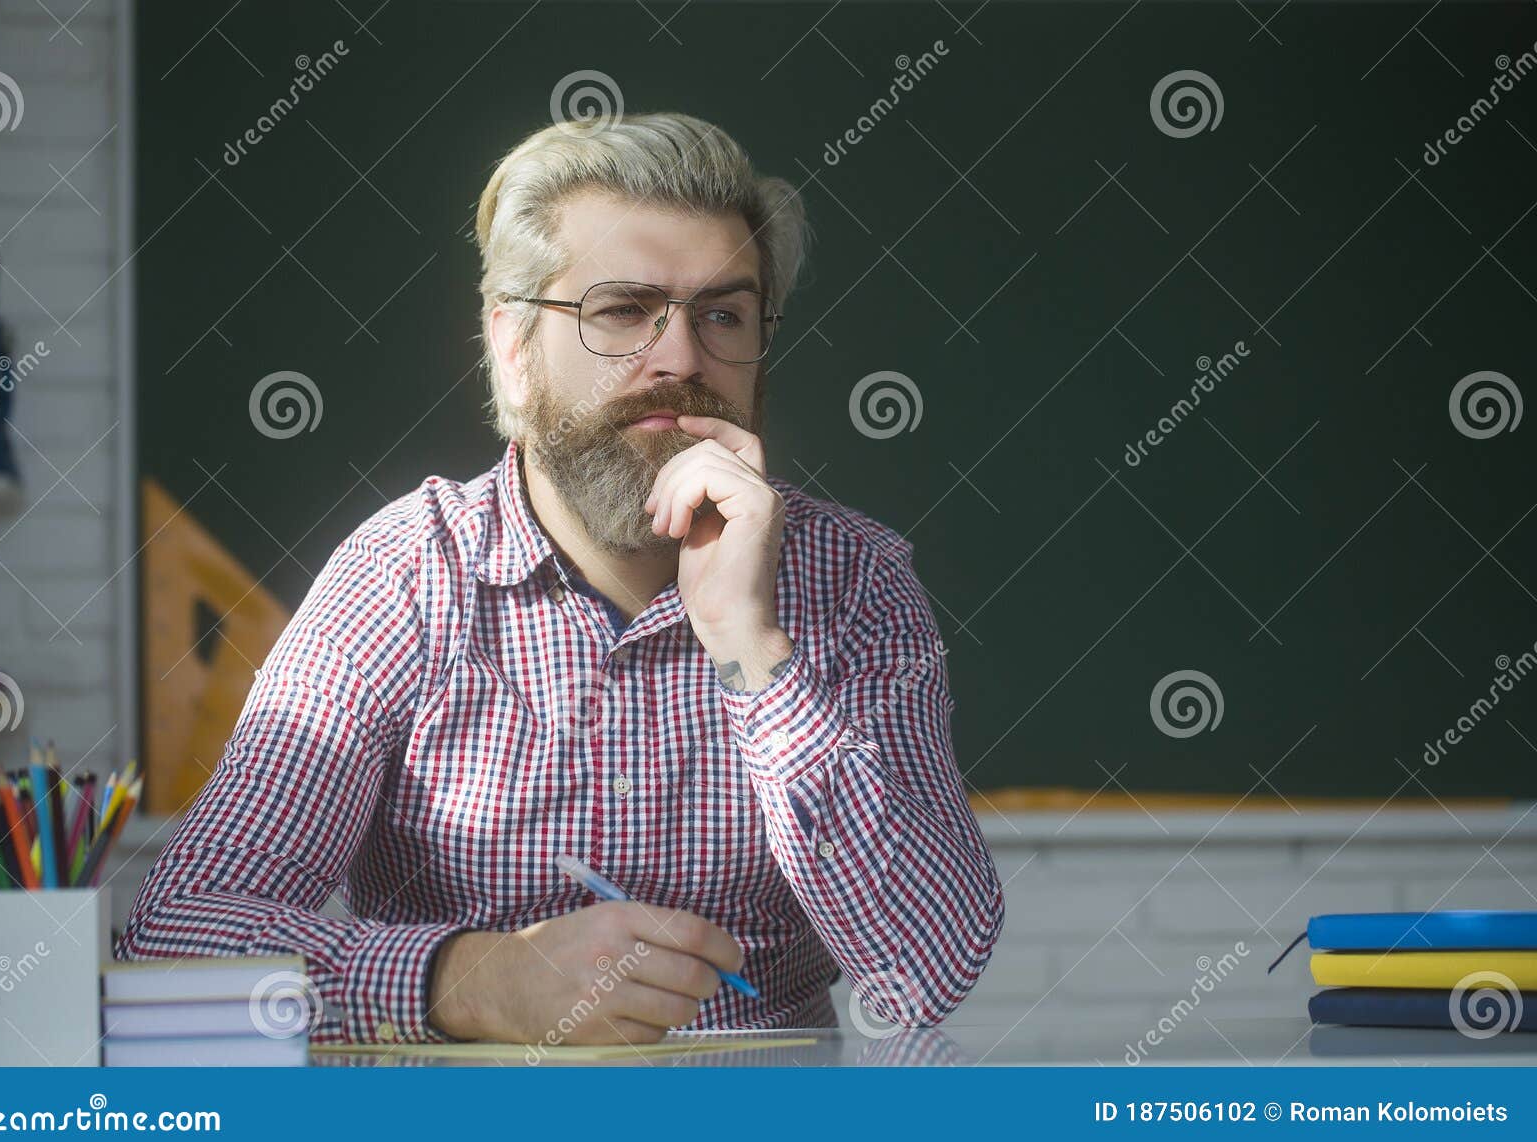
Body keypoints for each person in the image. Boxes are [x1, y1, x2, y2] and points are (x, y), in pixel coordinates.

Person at [115, 111, 1005, 1046]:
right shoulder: (405, 574)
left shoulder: (853, 579)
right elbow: (175, 941)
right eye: (623, 310)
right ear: (512, 344)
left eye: (723, 315)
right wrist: (473, 978)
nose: (681, 358)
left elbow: (929, 972)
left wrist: (753, 651)